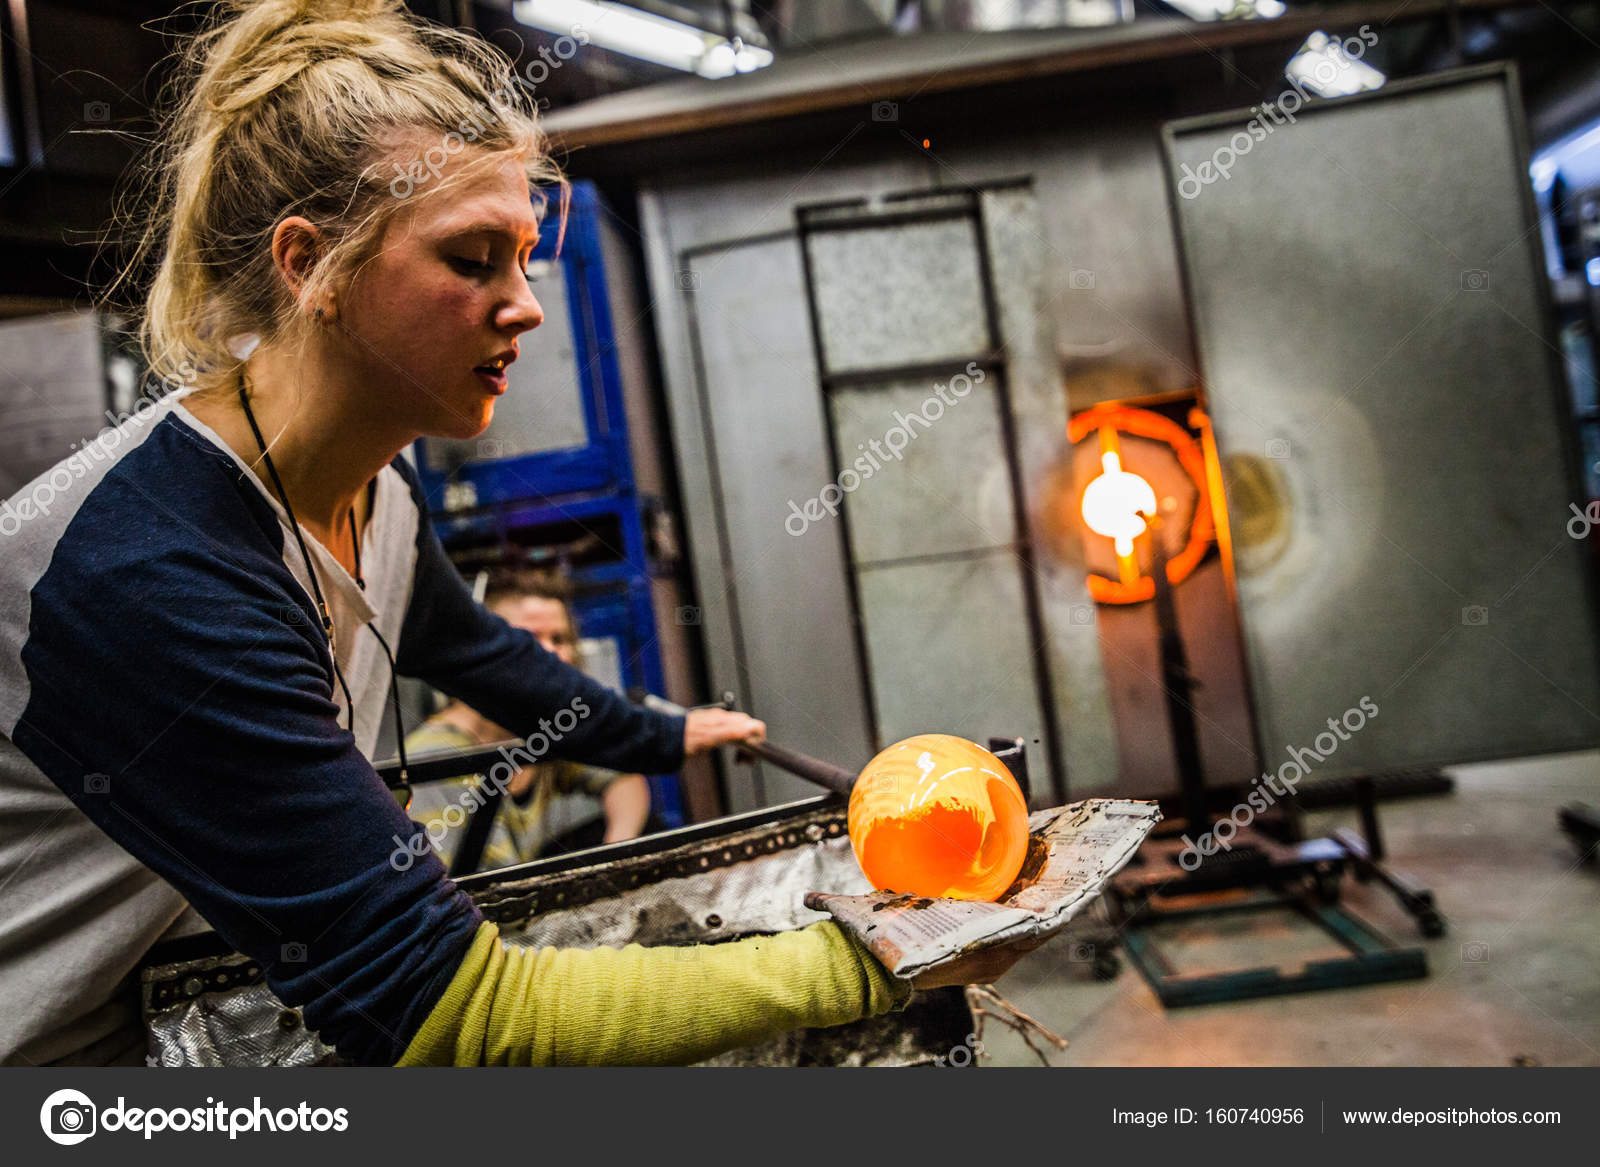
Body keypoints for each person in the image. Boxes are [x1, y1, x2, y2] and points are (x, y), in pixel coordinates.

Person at [0, 0, 1028, 1068]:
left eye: (526, 254)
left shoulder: (375, 497)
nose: (525, 304)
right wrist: (883, 956)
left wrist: (662, 734)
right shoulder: (146, 574)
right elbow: (455, 1017)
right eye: (471, 258)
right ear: (310, 265)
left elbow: (497, 667)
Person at [406, 568, 654, 870]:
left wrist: (616, 855)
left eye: (559, 639)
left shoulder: (542, 731)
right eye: (529, 639)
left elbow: (622, 777)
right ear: (481, 653)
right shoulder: (435, 760)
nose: (551, 654)